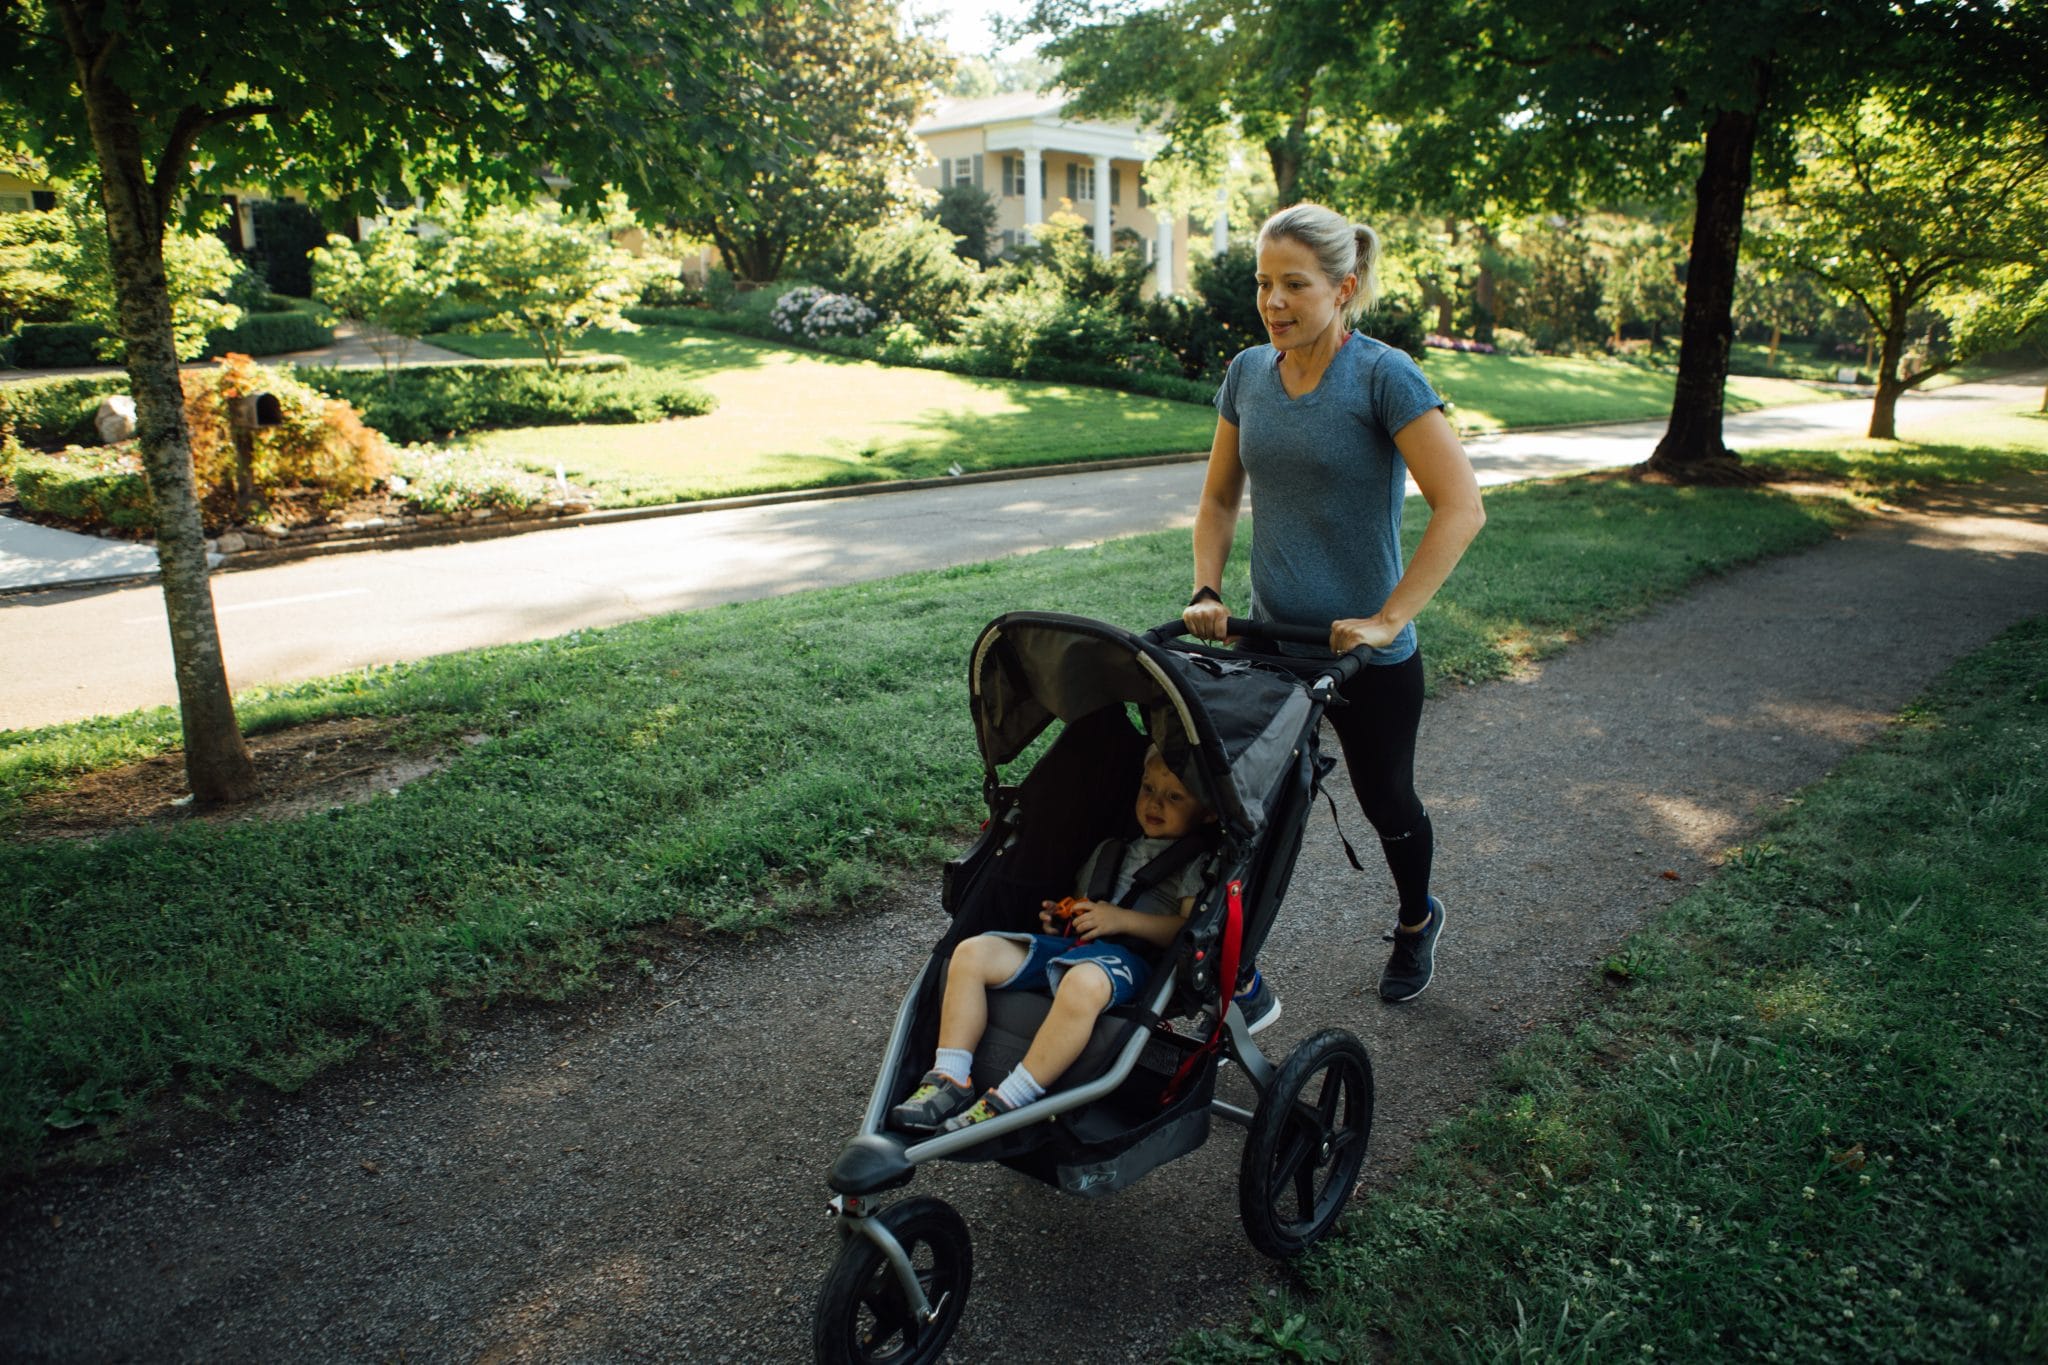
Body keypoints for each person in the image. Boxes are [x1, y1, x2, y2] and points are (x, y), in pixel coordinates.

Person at [1183, 202, 1485, 1005]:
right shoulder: (1249, 373)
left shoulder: (1384, 376)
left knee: (1386, 797)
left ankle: (1418, 919)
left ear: (1343, 286)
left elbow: (1461, 506)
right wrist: (1207, 587)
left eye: (1295, 285)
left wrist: (1387, 618)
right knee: (1248, 805)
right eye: (1263, 284)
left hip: (1366, 653)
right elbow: (1217, 501)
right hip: (1273, 637)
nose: (1273, 302)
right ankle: (1233, 967)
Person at [890, 746, 1217, 1133]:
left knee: (1082, 982)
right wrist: (1063, 917)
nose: (1154, 802)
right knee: (972, 952)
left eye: (1174, 796)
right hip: (1076, 950)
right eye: (1147, 788)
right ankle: (950, 1076)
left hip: (1132, 961)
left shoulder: (1197, 863)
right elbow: (1083, 905)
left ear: (1208, 812)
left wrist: (1122, 920)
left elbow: (1187, 930)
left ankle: (1015, 1095)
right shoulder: (1110, 850)